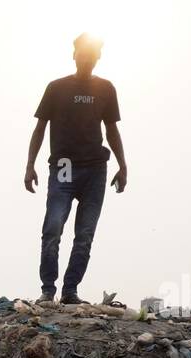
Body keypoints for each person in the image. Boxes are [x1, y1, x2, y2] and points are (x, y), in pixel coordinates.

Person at [25, 33, 127, 305]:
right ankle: (48, 290)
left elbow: (112, 129)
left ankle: (70, 291)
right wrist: (30, 165)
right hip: (64, 167)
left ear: (98, 58)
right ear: (74, 55)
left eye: (92, 54)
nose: (87, 58)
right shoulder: (56, 88)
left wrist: (123, 165)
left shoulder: (106, 88)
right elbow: (40, 128)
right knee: (53, 227)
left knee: (84, 234)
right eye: (82, 53)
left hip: (95, 169)